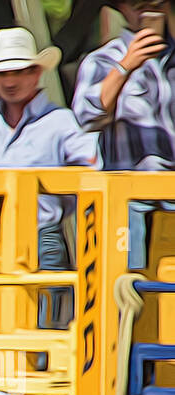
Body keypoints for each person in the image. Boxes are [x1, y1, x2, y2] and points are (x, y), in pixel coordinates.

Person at [0, 29, 98, 324]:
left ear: (37, 73)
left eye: (19, 72)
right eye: (3, 73)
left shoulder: (61, 122)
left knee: (44, 328)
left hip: (42, 235)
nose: (11, 81)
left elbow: (92, 169)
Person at [72, 1, 175, 269]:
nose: (147, 12)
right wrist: (125, 66)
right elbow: (86, 116)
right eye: (138, 5)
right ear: (122, 8)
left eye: (156, 5)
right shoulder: (103, 59)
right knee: (129, 287)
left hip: (171, 196)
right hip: (129, 200)